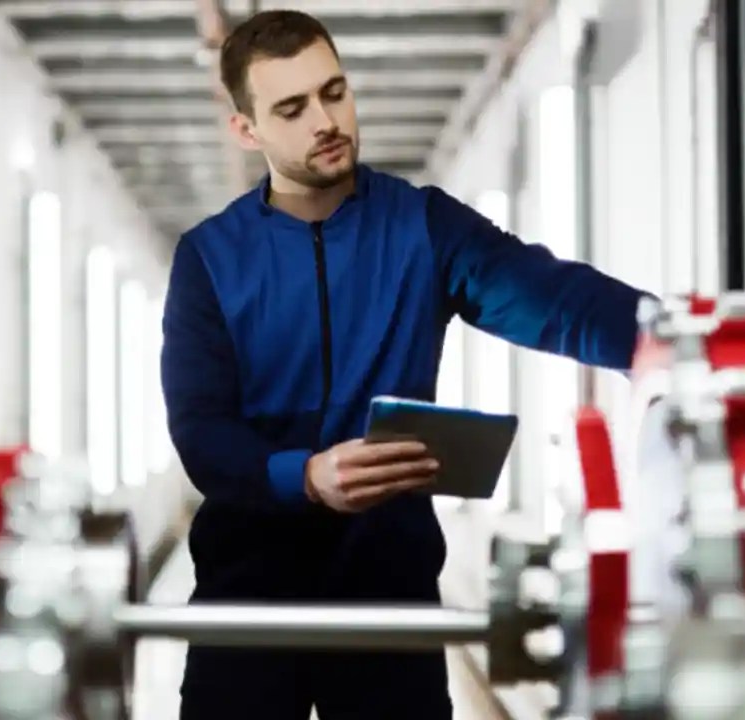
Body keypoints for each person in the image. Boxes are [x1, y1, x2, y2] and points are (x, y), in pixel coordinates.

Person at [159, 9, 650, 720]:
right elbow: (201, 429)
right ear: (247, 129)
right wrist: (306, 477)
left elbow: (552, 299)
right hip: (248, 601)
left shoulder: (423, 225)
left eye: (334, 92)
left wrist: (667, 338)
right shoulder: (209, 258)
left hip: (389, 595)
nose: (325, 121)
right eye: (292, 109)